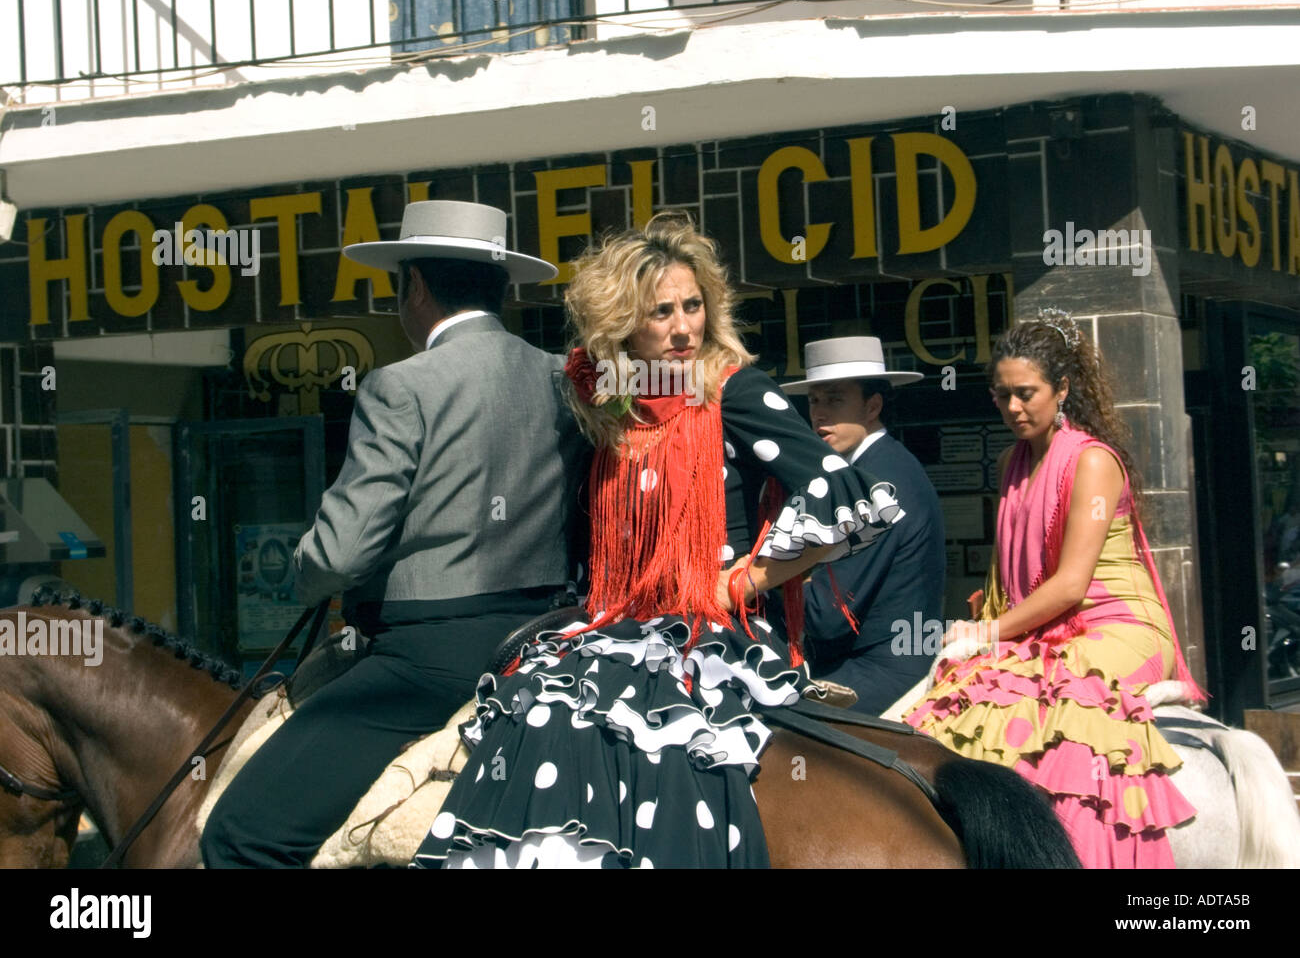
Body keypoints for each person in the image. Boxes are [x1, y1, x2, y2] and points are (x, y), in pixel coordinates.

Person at [412, 212, 905, 868]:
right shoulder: (609, 399)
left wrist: (740, 582)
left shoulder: (733, 388)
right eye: (660, 311)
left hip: (713, 637)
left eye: (693, 306)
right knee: (536, 708)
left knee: (633, 737)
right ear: (624, 324)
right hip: (615, 624)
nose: (682, 328)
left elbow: (850, 499)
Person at [201, 200, 589, 868]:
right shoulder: (563, 379)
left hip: (426, 662)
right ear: (499, 288)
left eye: (397, 288)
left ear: (414, 288)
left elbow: (342, 552)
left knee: (240, 833)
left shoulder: (400, 386)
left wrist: (301, 566)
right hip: (547, 640)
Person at [904, 308, 1201, 869]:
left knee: (1068, 709)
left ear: (1062, 389)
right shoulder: (1008, 463)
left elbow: (1069, 586)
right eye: (1000, 395)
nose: (1012, 408)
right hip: (1046, 630)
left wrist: (987, 632)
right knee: (956, 698)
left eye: (1026, 393)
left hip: (1120, 629)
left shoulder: (1093, 462)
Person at [777, 337, 944, 714]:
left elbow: (827, 614)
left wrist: (765, 576)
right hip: (868, 661)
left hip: (884, 668)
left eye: (835, 400)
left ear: (873, 405)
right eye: (814, 401)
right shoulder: (873, 467)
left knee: (769, 732)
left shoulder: (877, 481)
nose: (819, 415)